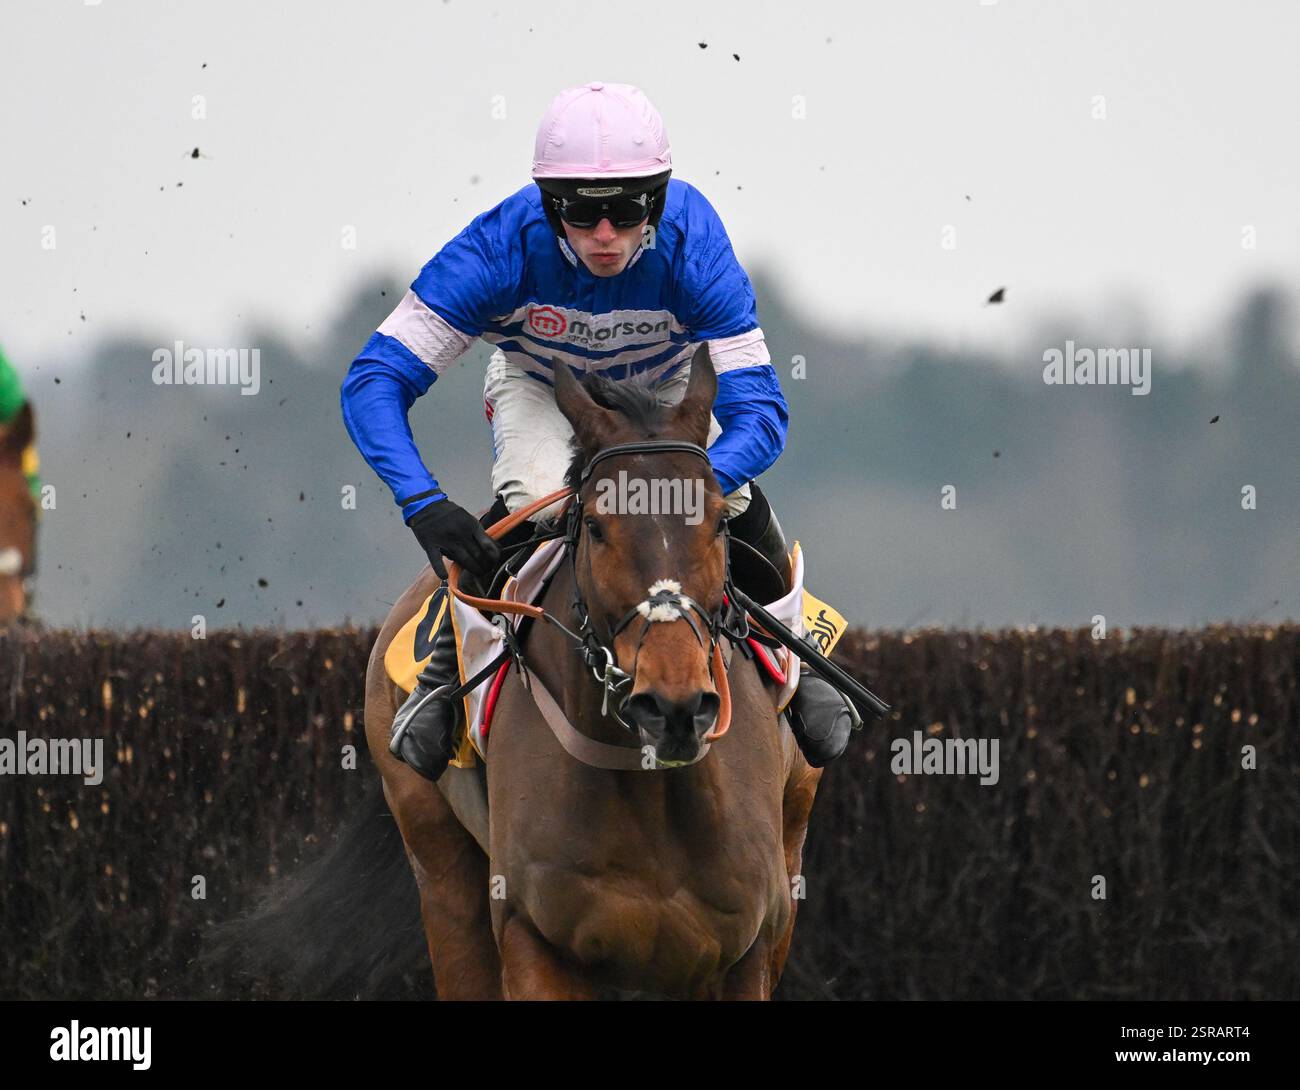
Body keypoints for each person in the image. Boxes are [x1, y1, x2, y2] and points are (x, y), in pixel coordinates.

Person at [341, 82, 854, 782]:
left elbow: (761, 415)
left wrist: (695, 486)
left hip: (666, 389)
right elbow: (373, 381)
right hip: (545, 390)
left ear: (661, 200)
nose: (605, 234)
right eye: (582, 213)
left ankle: (794, 655)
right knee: (543, 498)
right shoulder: (495, 251)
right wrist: (422, 502)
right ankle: (444, 672)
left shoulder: (694, 247)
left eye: (626, 209)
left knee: (720, 500)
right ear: (549, 205)